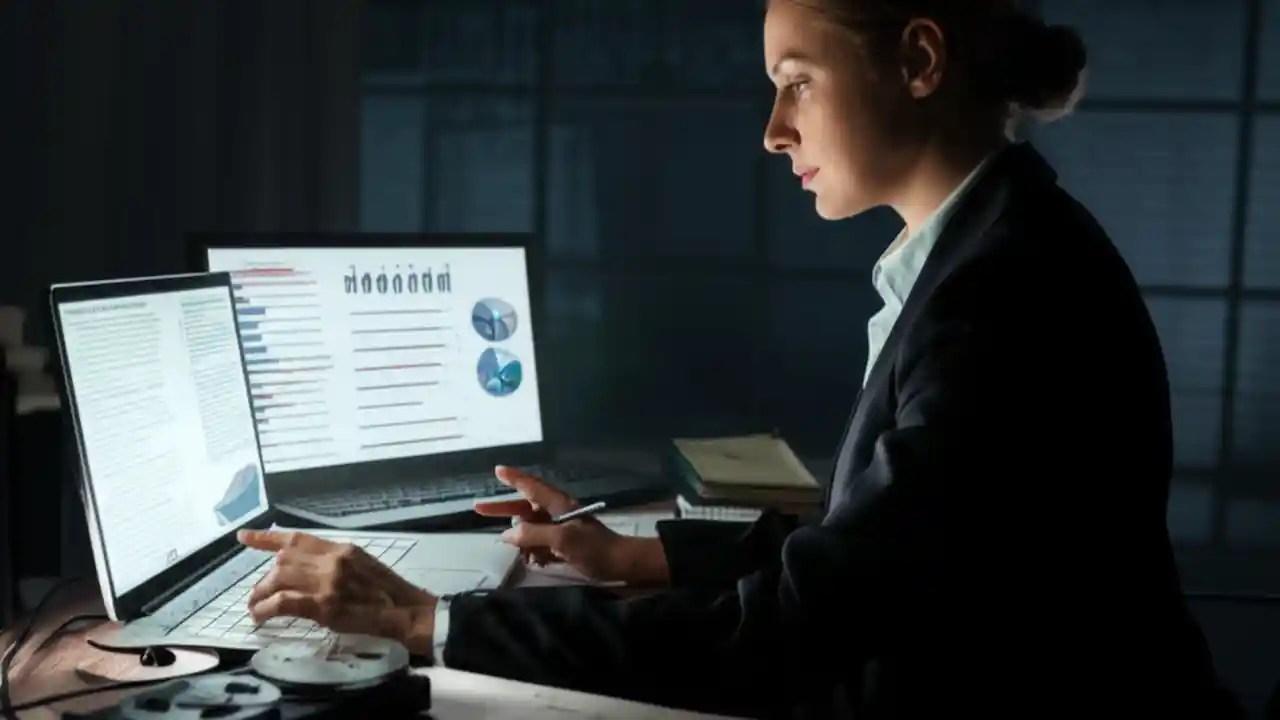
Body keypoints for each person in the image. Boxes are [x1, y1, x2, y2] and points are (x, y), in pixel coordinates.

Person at [236, 1, 1244, 717]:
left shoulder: (998, 300)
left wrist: (427, 621)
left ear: (919, 60)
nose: (771, 132)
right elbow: (883, 555)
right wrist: (635, 556)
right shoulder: (994, 249)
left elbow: (801, 630)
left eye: (795, 83)